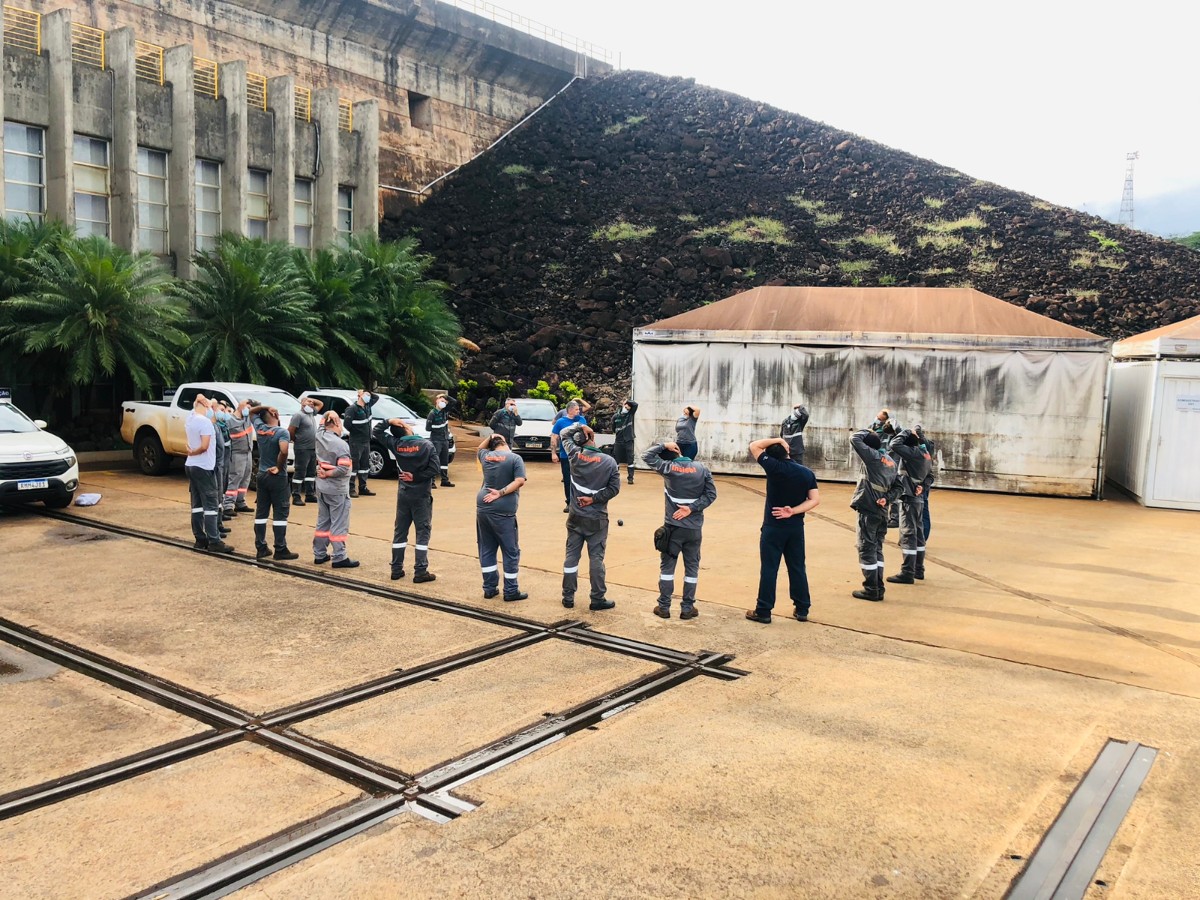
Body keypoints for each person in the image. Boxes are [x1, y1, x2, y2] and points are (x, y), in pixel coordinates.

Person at [744, 437, 820, 624]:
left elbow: (754, 445)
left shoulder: (773, 467)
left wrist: (779, 439)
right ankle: (802, 608)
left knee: (769, 569)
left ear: (770, 456)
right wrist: (793, 511)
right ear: (787, 452)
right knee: (797, 567)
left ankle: (764, 610)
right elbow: (814, 500)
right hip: (795, 527)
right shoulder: (806, 473)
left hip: (773, 526)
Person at [641, 439, 717, 619]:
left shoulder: (668, 469)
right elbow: (711, 495)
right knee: (692, 569)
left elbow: (646, 456)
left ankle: (664, 607)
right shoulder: (702, 469)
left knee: (667, 568)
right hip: (694, 529)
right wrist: (692, 508)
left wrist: (663, 446)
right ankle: (687, 608)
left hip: (673, 528)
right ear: (678, 452)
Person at [560, 422, 620, 611]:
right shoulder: (609, 462)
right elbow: (614, 489)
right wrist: (594, 499)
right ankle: (597, 598)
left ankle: (568, 596)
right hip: (597, 518)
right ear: (592, 438)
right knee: (596, 558)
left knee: (571, 557)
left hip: (575, 516)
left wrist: (579, 425)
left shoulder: (574, 455)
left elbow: (563, 434)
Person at [374, 416, 440, 583]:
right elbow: (435, 469)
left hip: (404, 495)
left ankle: (396, 569)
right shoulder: (426, 445)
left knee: (400, 532)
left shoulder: (396, 444)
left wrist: (389, 421)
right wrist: (416, 476)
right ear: (406, 429)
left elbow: (376, 431)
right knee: (422, 532)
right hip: (421, 496)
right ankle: (420, 571)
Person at [476, 433, 528, 601]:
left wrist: (491, 436)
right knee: (510, 551)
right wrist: (500, 493)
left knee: (487, 548)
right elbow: (520, 481)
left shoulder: (486, 456)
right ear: (505, 442)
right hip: (503, 510)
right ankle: (511, 590)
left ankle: (489, 588)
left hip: (483, 506)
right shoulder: (515, 458)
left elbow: (479, 448)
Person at [849, 429, 899, 602]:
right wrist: (887, 498)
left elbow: (854, 438)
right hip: (882, 511)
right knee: (877, 549)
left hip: (869, 509)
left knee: (866, 548)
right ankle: (878, 588)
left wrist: (868, 431)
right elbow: (899, 487)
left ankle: (871, 589)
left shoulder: (873, 457)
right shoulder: (890, 461)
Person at [249, 404, 298, 561]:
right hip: (277, 477)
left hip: (262, 475)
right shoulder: (282, 432)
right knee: (280, 513)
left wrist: (266, 407)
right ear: (275, 415)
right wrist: (278, 466)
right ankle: (280, 548)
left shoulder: (260, 428)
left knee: (261, 513)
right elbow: (284, 450)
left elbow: (251, 412)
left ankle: (261, 547)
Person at [185, 395, 233, 553]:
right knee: (211, 505)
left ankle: (200, 538)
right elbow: (205, 446)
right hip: (204, 467)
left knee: (197, 505)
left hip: (191, 466)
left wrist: (200, 398)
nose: (212, 410)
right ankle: (214, 541)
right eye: (211, 407)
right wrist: (194, 452)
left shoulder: (190, 418)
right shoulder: (205, 422)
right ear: (205, 406)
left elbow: (198, 398)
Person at [887, 428, 934, 584]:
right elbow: (931, 476)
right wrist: (923, 486)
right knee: (918, 535)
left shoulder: (912, 453)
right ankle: (919, 569)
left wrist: (907, 431)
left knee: (908, 535)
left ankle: (907, 572)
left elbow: (894, 444)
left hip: (909, 499)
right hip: (918, 499)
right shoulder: (925, 454)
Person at [312, 410, 358, 569]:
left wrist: (329, 413)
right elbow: (343, 469)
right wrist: (328, 474)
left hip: (322, 488)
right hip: (336, 489)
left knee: (323, 522)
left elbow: (321, 424)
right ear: (337, 423)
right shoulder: (341, 445)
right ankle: (339, 557)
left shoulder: (319, 436)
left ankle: (319, 554)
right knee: (338, 523)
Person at [549, 398, 590, 511]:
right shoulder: (560, 422)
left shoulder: (581, 419)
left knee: (581, 479)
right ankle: (569, 502)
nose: (579, 411)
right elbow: (554, 437)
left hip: (581, 455)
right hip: (566, 455)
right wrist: (553, 453)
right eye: (576, 409)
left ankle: (581, 501)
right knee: (568, 480)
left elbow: (587, 435)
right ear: (570, 410)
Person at [289, 396, 323, 506]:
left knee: (311, 473)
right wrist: (296, 440)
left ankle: (310, 494)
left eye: (312, 402)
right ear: (302, 403)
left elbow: (320, 403)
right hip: (302, 448)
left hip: (312, 448)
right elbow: (291, 431)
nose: (312, 403)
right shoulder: (298, 415)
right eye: (309, 402)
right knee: (300, 472)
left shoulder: (311, 413)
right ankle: (296, 496)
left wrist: (310, 400)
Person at [343, 389, 377, 498]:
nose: (368, 397)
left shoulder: (367, 406)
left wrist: (367, 392)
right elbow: (347, 424)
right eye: (366, 395)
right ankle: (351, 488)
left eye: (369, 395)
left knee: (364, 466)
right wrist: (356, 432)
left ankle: (363, 487)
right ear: (360, 395)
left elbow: (376, 397)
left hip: (366, 441)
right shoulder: (352, 409)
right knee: (354, 466)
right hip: (356, 442)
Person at [224, 398, 255, 518]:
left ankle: (240, 502)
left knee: (246, 478)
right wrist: (242, 404)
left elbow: (258, 406)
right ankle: (228, 505)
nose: (248, 409)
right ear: (240, 407)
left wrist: (249, 403)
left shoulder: (247, 418)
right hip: (236, 453)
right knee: (235, 478)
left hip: (248, 452)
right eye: (247, 407)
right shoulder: (230, 420)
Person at [426, 394, 455, 487]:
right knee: (435, 460)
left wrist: (445, 396)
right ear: (436, 401)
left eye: (444, 402)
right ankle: (432, 481)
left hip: (444, 440)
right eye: (441, 401)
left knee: (444, 461)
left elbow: (454, 402)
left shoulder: (444, 411)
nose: (443, 403)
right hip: (436, 440)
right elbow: (428, 428)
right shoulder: (432, 413)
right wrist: (439, 427)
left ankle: (444, 480)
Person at [915, 423, 936, 544]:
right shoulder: (926, 447)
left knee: (922, 512)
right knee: (920, 512)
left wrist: (916, 431)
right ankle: (917, 537)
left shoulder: (924, 449)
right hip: (922, 483)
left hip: (921, 484)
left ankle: (922, 537)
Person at [612, 399, 639, 484]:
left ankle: (630, 478)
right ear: (622, 406)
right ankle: (615, 478)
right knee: (616, 459)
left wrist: (627, 401)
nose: (626, 409)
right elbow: (613, 428)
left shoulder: (630, 414)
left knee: (630, 459)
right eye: (626, 407)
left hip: (628, 440)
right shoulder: (615, 416)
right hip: (618, 440)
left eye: (628, 408)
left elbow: (635, 404)